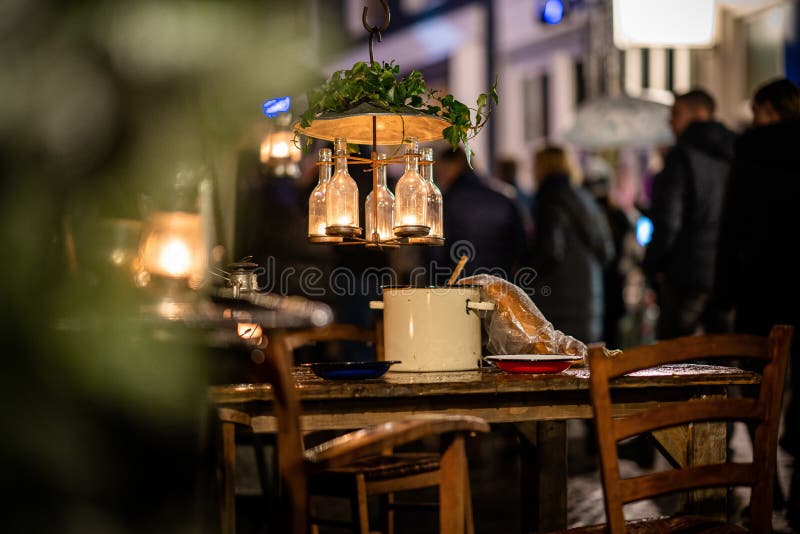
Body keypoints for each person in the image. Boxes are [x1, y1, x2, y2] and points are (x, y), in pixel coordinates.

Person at [714, 77, 800, 529]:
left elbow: (733, 225)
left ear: (766, 109)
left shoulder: (753, 150)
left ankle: (769, 485)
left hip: (763, 285)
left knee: (760, 387)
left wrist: (724, 291)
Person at [643, 89, 736, 339]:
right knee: (726, 353)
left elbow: (668, 220)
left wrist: (653, 263)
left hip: (685, 272)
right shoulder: (735, 152)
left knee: (676, 356)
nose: (670, 121)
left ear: (699, 114)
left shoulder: (681, 156)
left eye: (676, 113)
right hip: (726, 270)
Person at [530, 145, 614, 344]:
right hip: (589, 299)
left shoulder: (550, 198)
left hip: (559, 299)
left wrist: (525, 271)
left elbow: (550, 249)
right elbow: (607, 251)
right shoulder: (584, 198)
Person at [426, 147, 528, 280]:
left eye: (441, 170)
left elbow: (434, 248)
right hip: (499, 281)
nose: (440, 176)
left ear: (451, 166)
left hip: (457, 283)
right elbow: (520, 245)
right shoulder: (503, 198)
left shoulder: (444, 202)